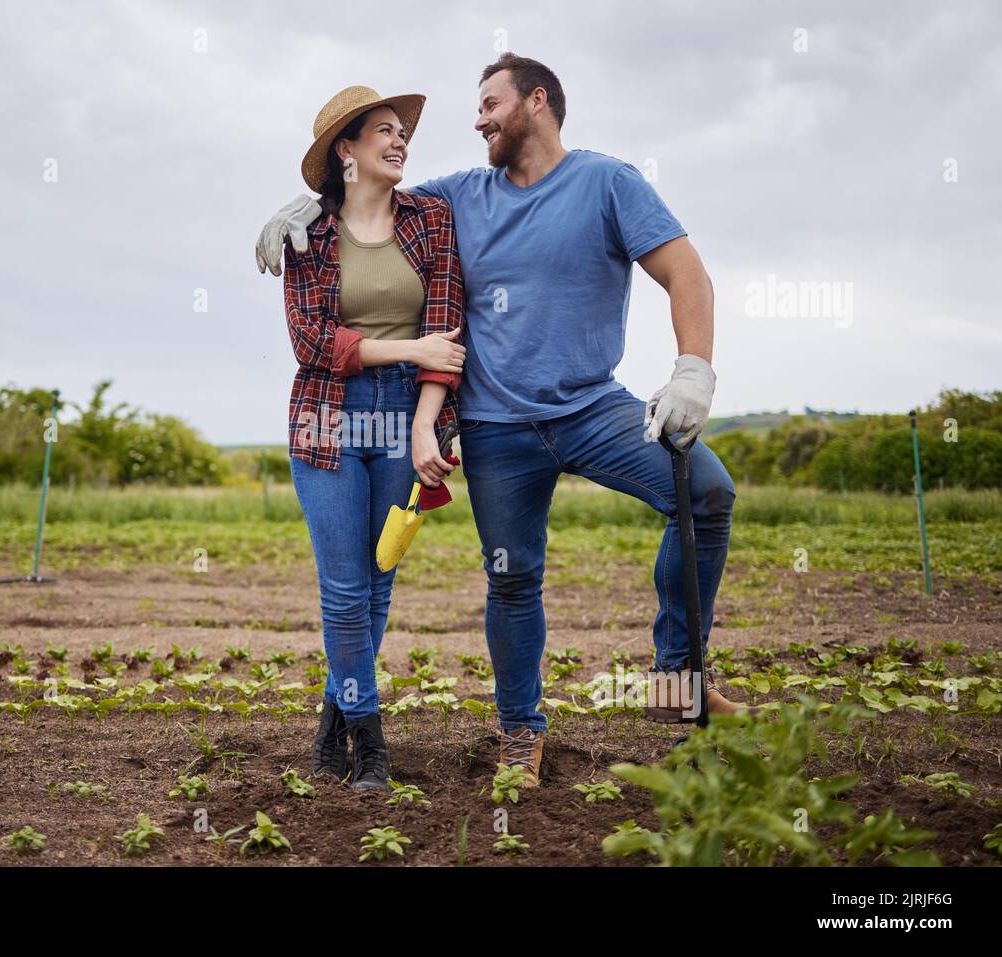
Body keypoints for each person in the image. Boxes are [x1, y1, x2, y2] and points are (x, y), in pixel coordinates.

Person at [259, 54, 755, 788]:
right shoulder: (459, 197)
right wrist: (307, 204)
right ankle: (520, 731)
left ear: (537, 101)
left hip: (592, 406)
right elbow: (370, 205)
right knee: (513, 578)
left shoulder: (607, 183)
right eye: (476, 107)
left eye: (489, 103)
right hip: (495, 428)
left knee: (707, 492)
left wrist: (694, 368)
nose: (478, 118)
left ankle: (676, 675)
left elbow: (687, 272)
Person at [283, 85, 466, 791]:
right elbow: (311, 341)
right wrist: (410, 349)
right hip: (325, 415)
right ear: (346, 150)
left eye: (402, 132)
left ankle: (335, 724)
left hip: (407, 417)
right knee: (343, 587)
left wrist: (426, 419)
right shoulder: (308, 233)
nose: (399, 142)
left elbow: (447, 333)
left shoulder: (431, 219)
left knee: (378, 583)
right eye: (382, 132)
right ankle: (373, 741)